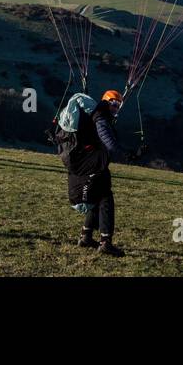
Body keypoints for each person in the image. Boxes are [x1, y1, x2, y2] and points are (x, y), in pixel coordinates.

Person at [66, 88, 126, 256]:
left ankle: (85, 236)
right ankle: (105, 242)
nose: (115, 108)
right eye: (113, 104)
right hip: (91, 166)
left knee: (97, 196)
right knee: (105, 197)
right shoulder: (100, 118)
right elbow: (108, 141)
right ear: (106, 102)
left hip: (91, 164)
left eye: (118, 106)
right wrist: (125, 154)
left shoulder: (98, 116)